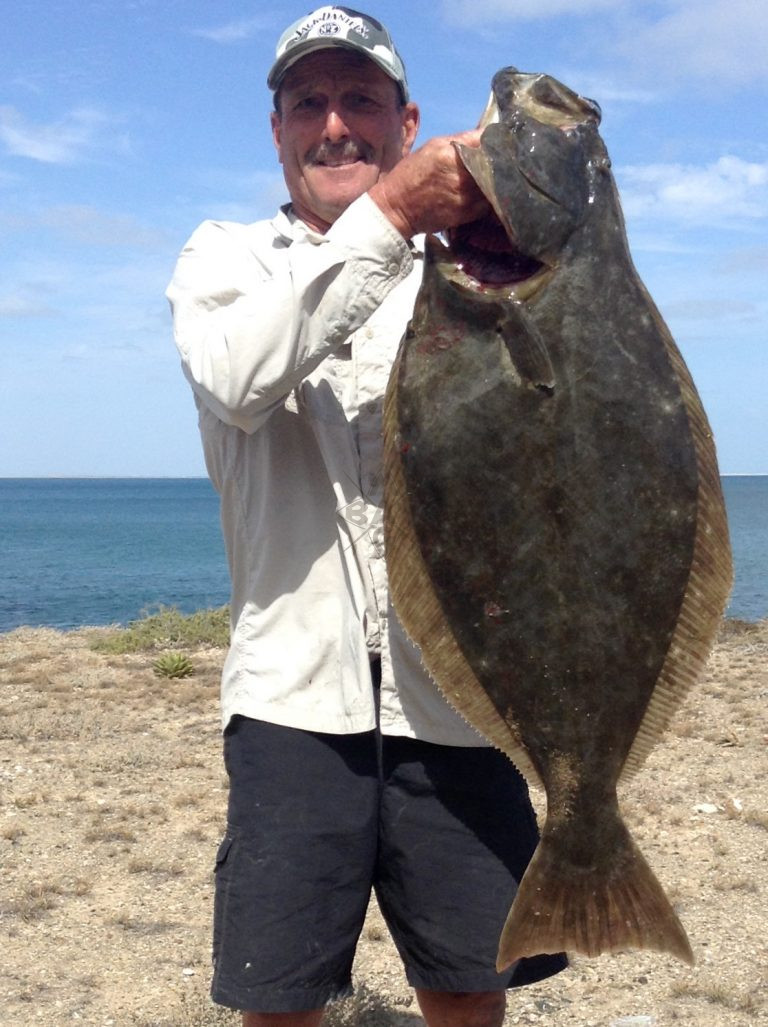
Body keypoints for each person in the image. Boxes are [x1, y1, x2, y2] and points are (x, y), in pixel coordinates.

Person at [166, 7, 567, 1026]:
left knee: (470, 990)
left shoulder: (471, 273)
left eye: (362, 100)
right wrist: (391, 216)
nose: (335, 124)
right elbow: (237, 376)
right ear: (277, 131)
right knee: (282, 1002)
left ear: (408, 119)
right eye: (311, 103)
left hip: (459, 701)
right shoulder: (224, 260)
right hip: (295, 707)